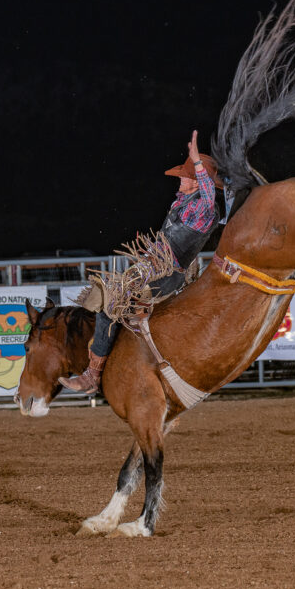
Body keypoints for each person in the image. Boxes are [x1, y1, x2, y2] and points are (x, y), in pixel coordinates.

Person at [59, 130, 219, 394]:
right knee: (107, 301)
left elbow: (209, 196)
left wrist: (198, 164)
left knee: (109, 304)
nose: (179, 178)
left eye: (184, 176)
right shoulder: (184, 203)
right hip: (157, 269)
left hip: (168, 275)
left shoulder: (202, 208)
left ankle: (92, 377)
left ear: (195, 181)